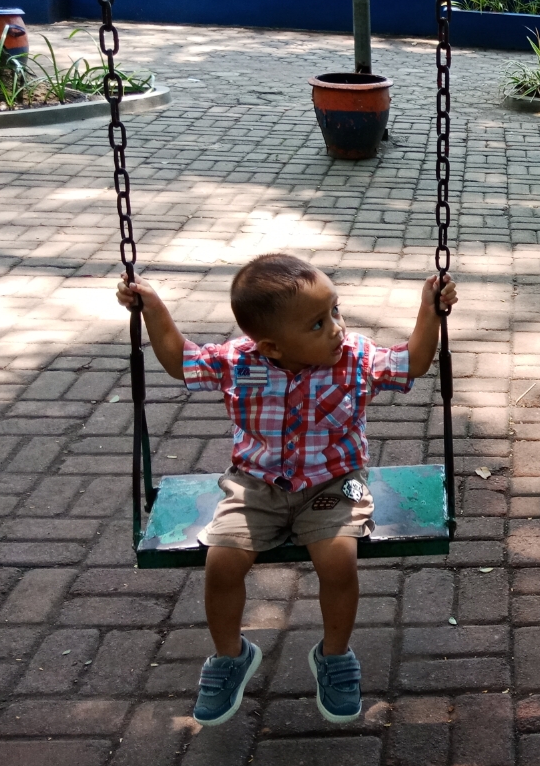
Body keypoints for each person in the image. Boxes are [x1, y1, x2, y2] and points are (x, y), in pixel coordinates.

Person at [116, 255, 457, 726]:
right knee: (221, 563)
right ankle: (230, 655)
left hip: (336, 484)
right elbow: (180, 360)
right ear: (271, 346)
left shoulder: (356, 359)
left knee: (337, 560)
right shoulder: (239, 363)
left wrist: (430, 308)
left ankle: (334, 656)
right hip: (255, 486)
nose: (337, 328)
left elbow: (413, 361)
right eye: (318, 324)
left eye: (335, 311)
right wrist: (151, 308)